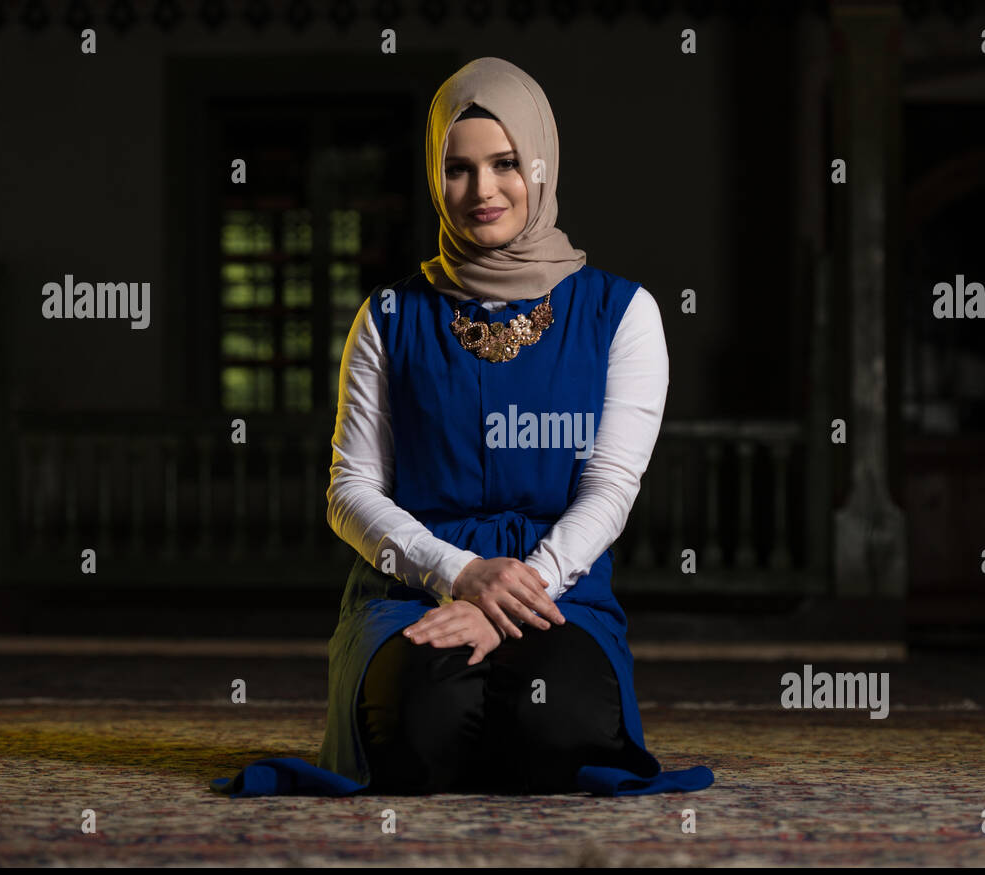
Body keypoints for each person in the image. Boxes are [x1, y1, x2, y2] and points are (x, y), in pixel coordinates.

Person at [212, 57, 712, 798]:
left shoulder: (622, 314)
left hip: (556, 588)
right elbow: (348, 491)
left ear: (541, 162)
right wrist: (461, 575)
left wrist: (518, 588)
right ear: (433, 175)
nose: (482, 191)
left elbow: (609, 490)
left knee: (562, 727)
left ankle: (510, 713)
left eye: (506, 163)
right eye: (459, 168)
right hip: (411, 587)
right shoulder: (387, 316)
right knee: (419, 728)